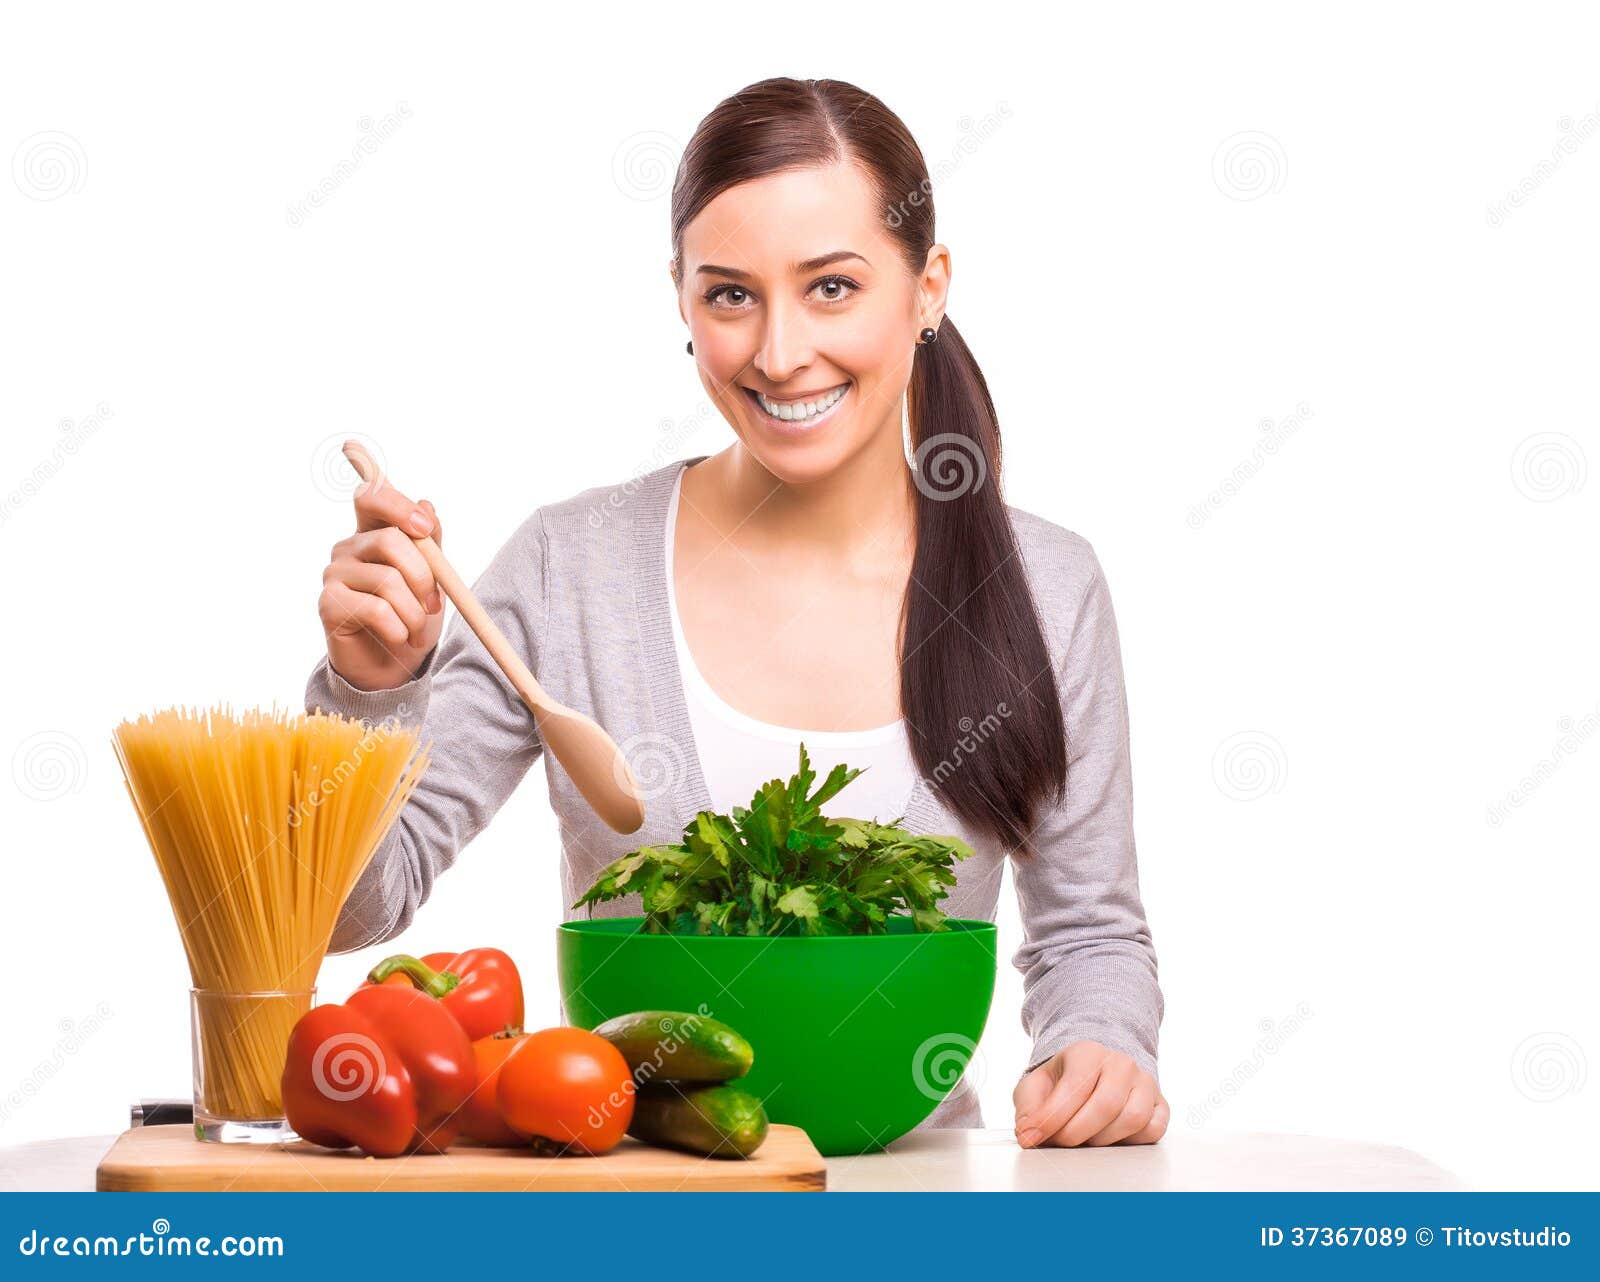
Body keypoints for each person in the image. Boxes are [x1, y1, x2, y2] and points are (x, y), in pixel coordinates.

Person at [307, 77, 1166, 1149]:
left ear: (928, 287)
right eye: (730, 296)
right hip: (639, 1190)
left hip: (914, 1194)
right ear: (681, 300)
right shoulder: (572, 569)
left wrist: (1099, 1046)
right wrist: (368, 692)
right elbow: (353, 910)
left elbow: (1090, 937)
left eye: (832, 287)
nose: (779, 352)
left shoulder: (1046, 585)